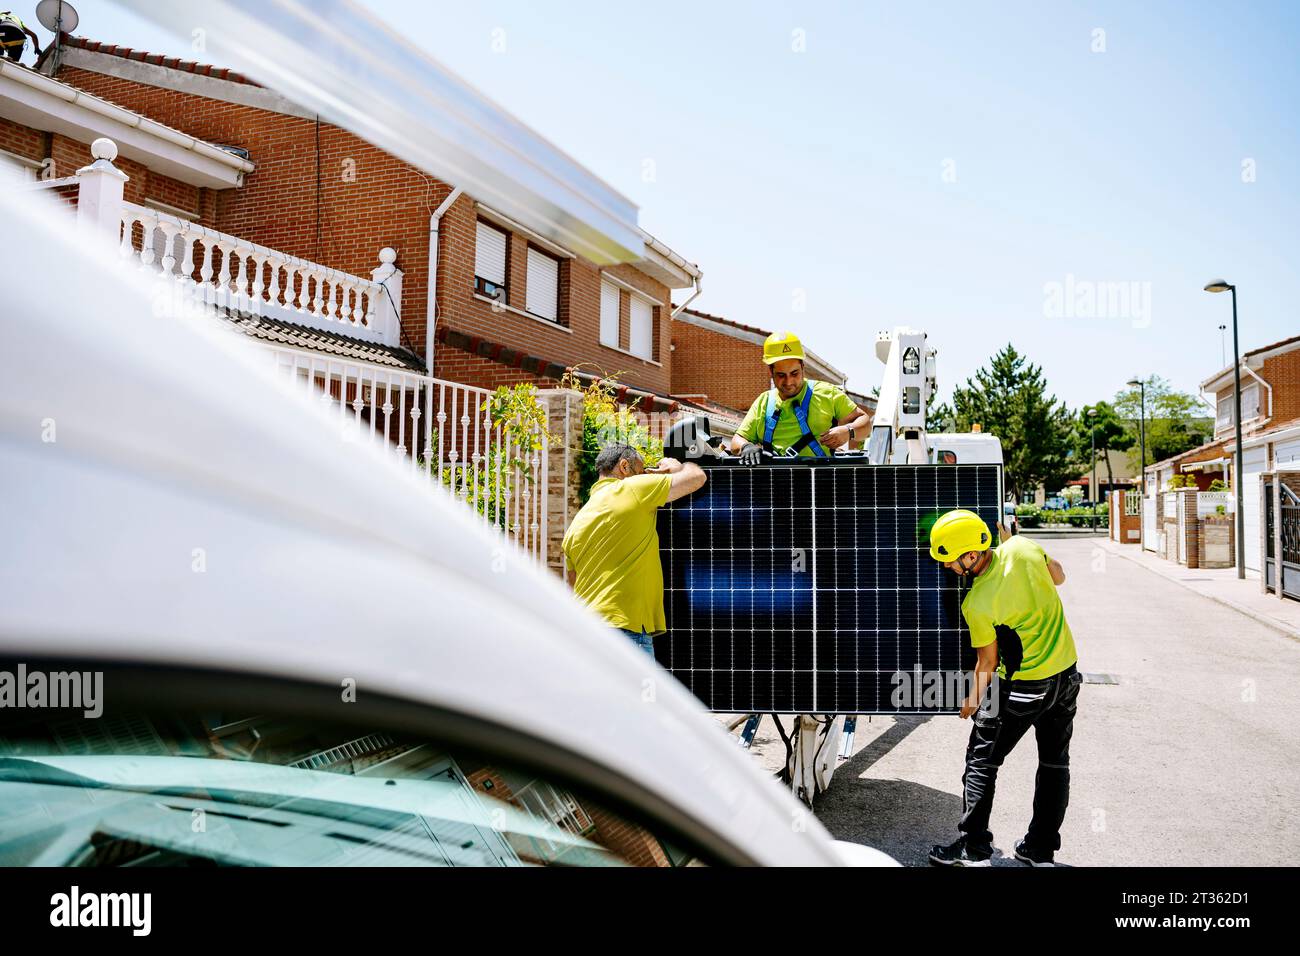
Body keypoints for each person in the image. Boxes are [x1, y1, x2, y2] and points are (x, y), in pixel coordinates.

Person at [926, 509, 1081, 867]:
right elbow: (1058, 576)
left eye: (950, 560)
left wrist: (970, 701)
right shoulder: (1023, 546)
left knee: (982, 760)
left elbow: (987, 663)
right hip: (1067, 677)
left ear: (970, 555)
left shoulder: (977, 603)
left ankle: (974, 848)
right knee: (1055, 763)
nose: (948, 567)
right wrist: (1017, 551)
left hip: (1025, 686)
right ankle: (1040, 849)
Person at [561, 443, 706, 657]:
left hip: (587, 634)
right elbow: (697, 477)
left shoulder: (577, 523)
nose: (646, 475)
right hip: (625, 633)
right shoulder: (631, 489)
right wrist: (675, 466)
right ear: (624, 466)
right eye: (642, 470)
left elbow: (573, 585)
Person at [728, 331, 872, 463]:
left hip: (819, 484)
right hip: (776, 486)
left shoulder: (827, 394)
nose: (789, 382)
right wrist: (746, 446)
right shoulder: (764, 403)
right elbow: (736, 441)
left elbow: (865, 423)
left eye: (794, 373)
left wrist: (848, 431)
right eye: (781, 375)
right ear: (771, 372)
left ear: (803, 366)